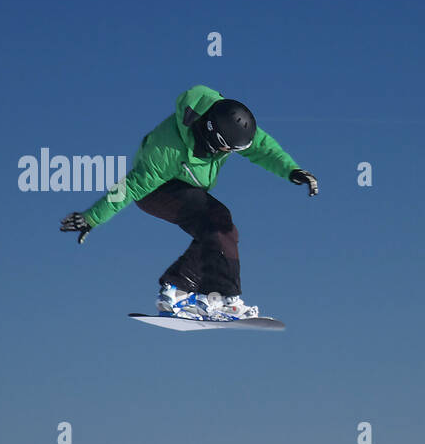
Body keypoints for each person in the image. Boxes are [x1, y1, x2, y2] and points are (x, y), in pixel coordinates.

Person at [60, 84, 317, 319]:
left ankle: (180, 290)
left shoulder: (225, 117)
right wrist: (92, 217)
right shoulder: (166, 151)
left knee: (222, 230)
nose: (232, 154)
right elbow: (130, 187)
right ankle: (220, 296)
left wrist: (291, 170)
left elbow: (262, 147)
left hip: (187, 187)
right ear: (215, 138)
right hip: (156, 191)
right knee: (217, 221)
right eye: (230, 149)